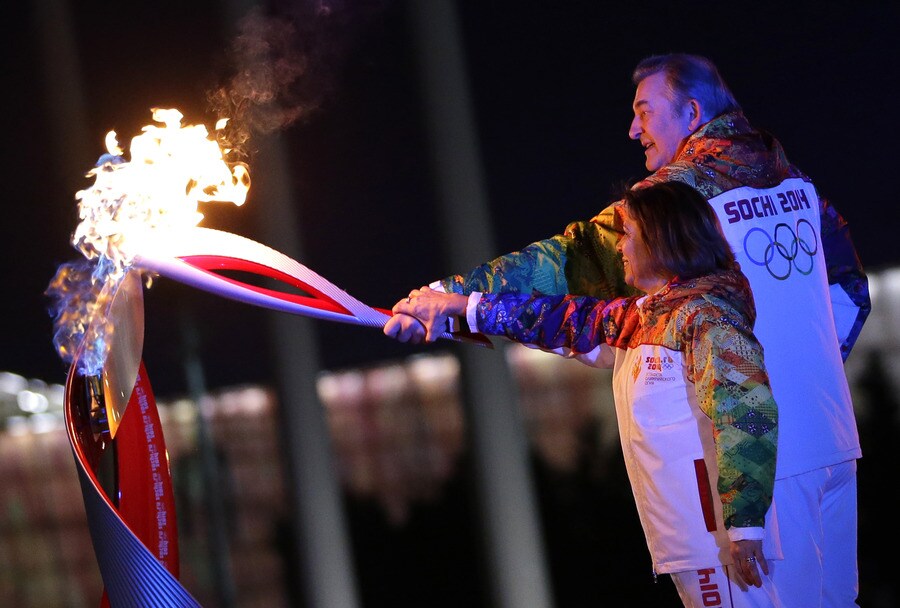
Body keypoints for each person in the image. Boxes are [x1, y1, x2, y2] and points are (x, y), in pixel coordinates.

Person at [385, 53, 869, 607]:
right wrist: (791, 378)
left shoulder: (675, 202)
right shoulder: (796, 184)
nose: (633, 129)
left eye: (644, 111)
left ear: (690, 112)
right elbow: (852, 295)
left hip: (748, 474)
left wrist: (445, 297)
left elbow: (569, 265)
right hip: (827, 443)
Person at [391, 181, 783, 606]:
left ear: (662, 238)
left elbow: (747, 411)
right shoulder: (646, 315)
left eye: (628, 234)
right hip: (688, 535)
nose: (620, 248)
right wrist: (456, 306)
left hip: (717, 537)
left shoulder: (706, 318)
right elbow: (561, 319)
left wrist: (744, 527)